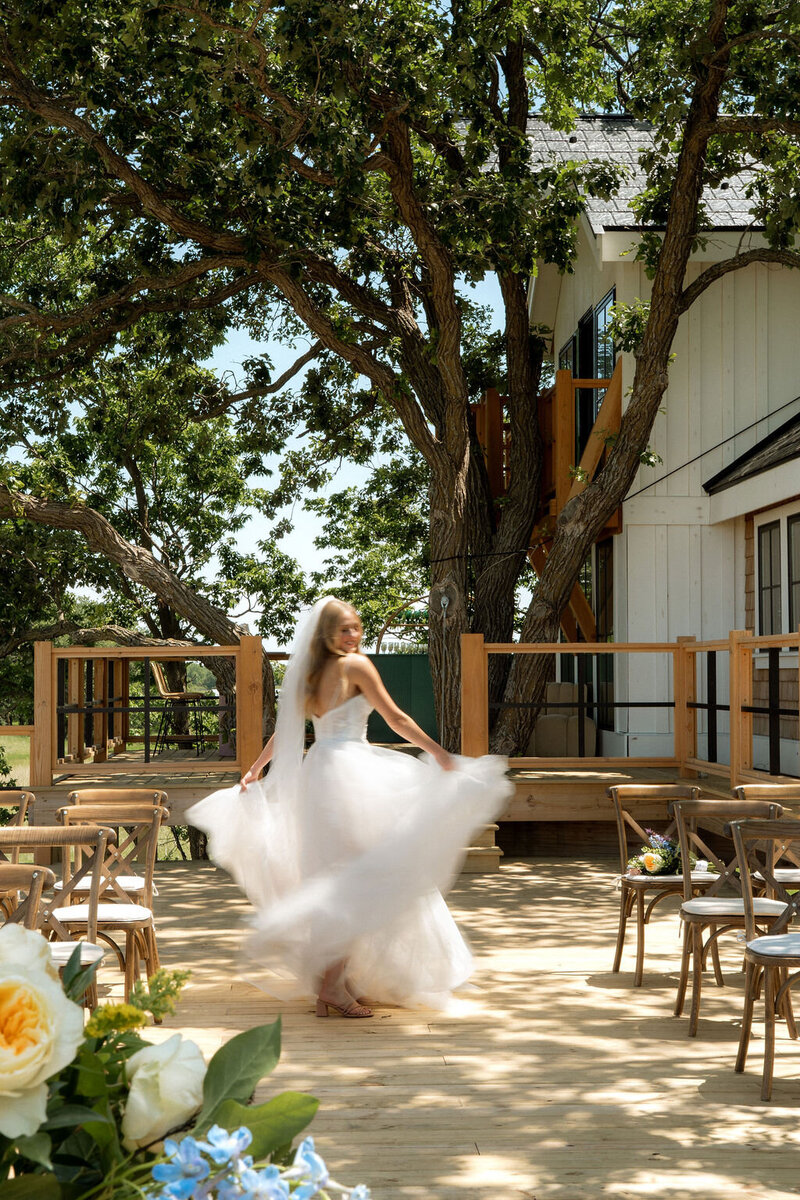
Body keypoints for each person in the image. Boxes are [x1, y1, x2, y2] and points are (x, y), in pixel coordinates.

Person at [188, 596, 512, 1018]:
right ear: (327, 633)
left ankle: (335, 982)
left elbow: (285, 735)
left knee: (337, 878)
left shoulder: (309, 672)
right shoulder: (355, 665)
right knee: (363, 877)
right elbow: (395, 719)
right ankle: (333, 986)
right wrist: (439, 754)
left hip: (320, 772)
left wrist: (256, 769)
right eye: (344, 629)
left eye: (356, 627)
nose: (353, 635)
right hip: (350, 774)